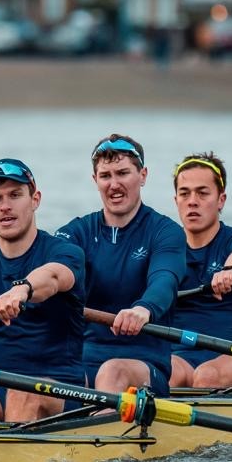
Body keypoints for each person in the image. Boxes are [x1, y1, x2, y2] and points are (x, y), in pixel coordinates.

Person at [58, 134, 187, 396]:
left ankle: (97, 432)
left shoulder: (165, 232)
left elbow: (165, 278)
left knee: (112, 371)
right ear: (95, 181)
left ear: (143, 175)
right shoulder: (77, 232)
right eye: (106, 176)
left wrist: (144, 308)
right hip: (82, 359)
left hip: (144, 363)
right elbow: (51, 269)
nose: (114, 184)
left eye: (123, 173)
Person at [0, 158, 87, 421]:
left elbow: (52, 276)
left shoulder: (65, 253)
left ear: (35, 199)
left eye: (15, 195)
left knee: (22, 394)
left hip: (62, 390)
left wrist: (22, 289)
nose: (5, 206)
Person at [167, 153, 232, 389]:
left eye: (202, 193)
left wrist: (231, 271)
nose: (192, 201)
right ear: (176, 200)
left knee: (207, 376)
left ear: (221, 200)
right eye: (185, 193)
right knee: (160, 375)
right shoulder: (165, 249)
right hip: (181, 353)